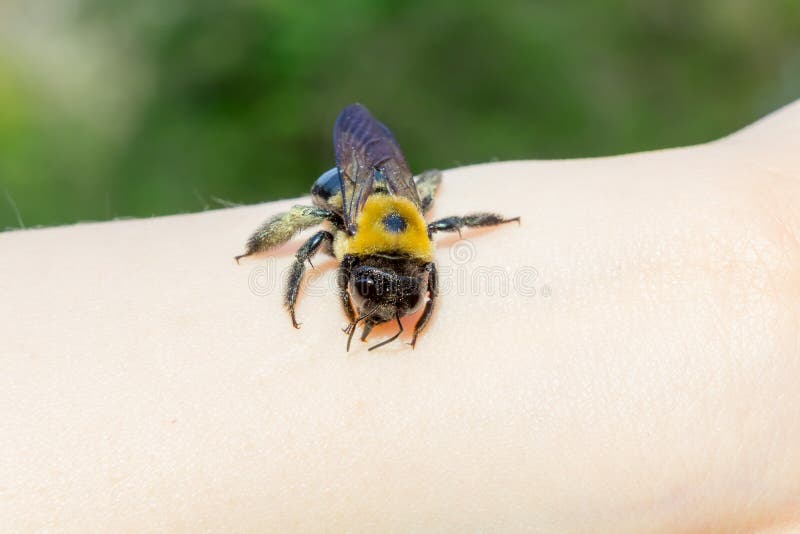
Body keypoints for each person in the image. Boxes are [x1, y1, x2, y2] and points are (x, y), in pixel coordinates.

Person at [2, 100, 799, 532]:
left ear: (424, 264)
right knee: (301, 220)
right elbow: (337, 239)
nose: (386, 301)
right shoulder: (348, 231)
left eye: (406, 294)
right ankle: (253, 252)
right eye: (378, 292)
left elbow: (435, 249)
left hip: (394, 193)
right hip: (346, 183)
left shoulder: (421, 241)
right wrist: (270, 273)